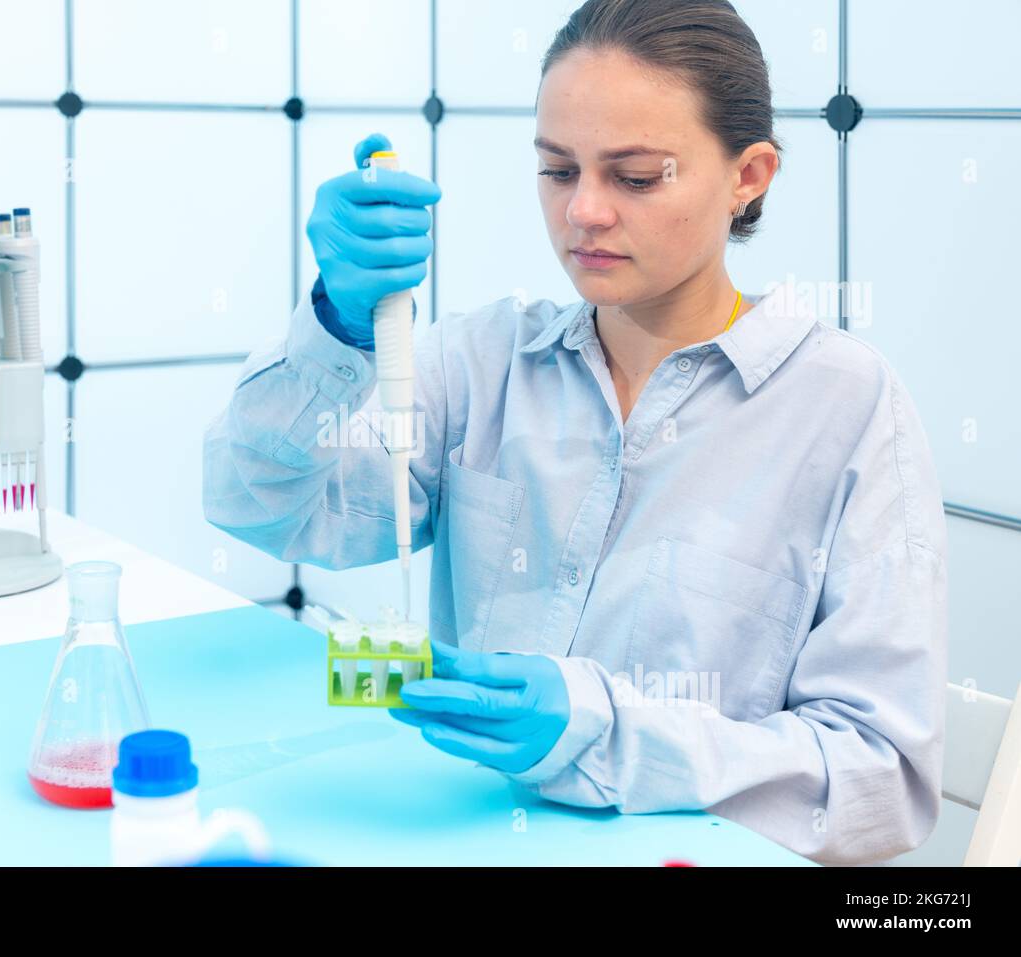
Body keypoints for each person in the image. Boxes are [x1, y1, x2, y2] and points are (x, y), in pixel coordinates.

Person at [202, 0, 948, 866]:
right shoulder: (484, 364)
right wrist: (335, 328)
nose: (585, 212)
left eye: (636, 177)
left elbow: (883, 779)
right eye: (560, 170)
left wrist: (605, 733)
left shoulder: (845, 409)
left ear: (749, 175)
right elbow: (257, 506)